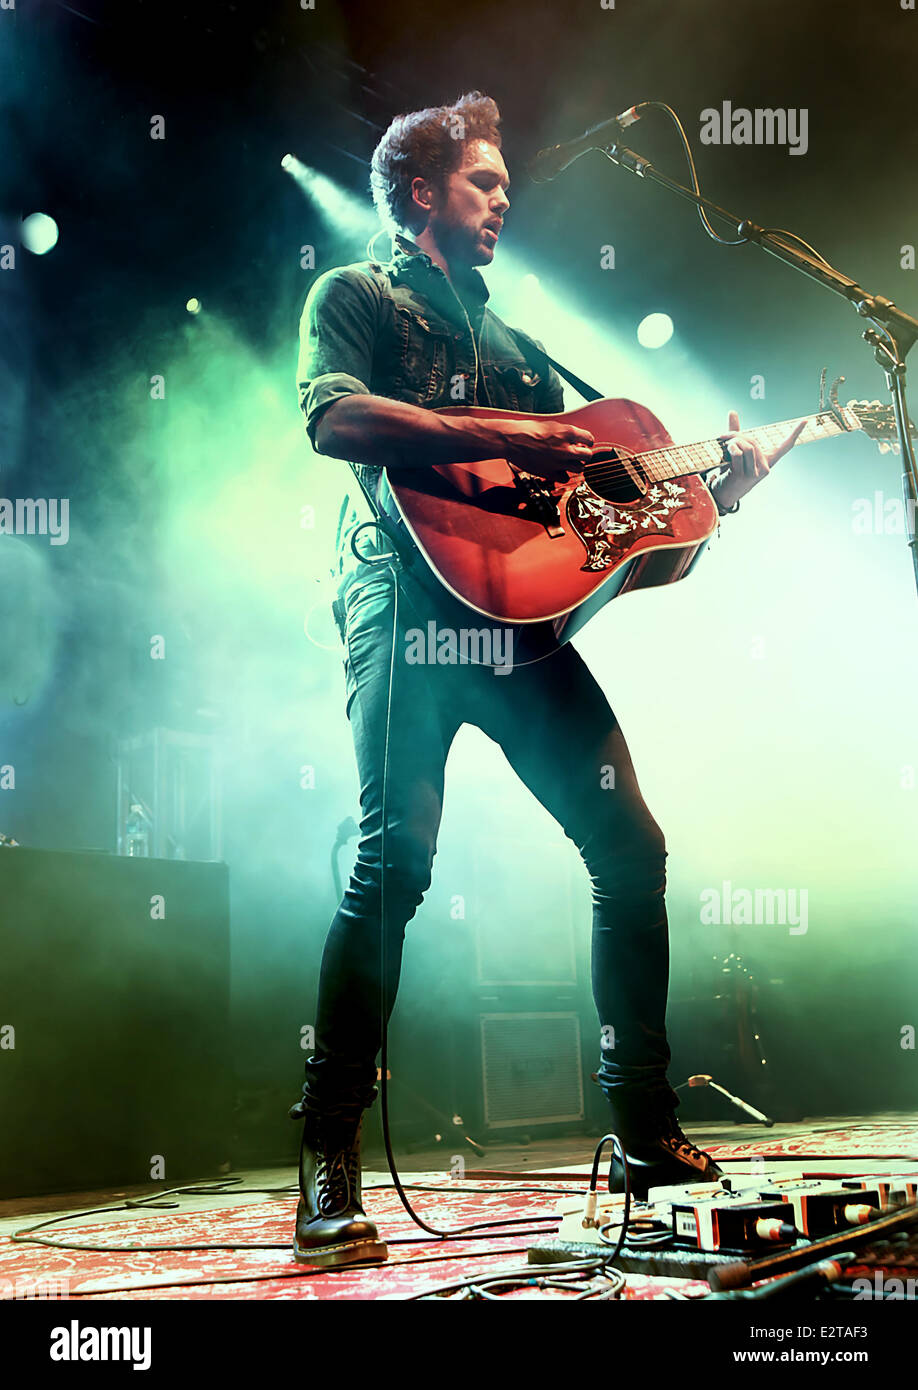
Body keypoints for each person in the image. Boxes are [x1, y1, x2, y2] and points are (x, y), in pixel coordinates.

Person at [292, 91, 802, 1266]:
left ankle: (644, 1131)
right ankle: (326, 1161)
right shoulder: (356, 297)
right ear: (420, 192)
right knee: (392, 864)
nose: (503, 200)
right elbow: (332, 422)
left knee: (633, 850)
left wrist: (719, 492)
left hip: (515, 630)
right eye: (483, 182)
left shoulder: (522, 351)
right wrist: (519, 438)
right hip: (405, 609)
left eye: (505, 186)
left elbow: (607, 541)